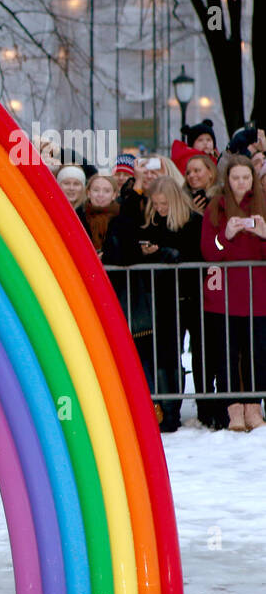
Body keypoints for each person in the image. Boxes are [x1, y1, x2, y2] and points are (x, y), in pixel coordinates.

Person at [104, 177, 202, 431]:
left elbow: (194, 257)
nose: (160, 208)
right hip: (158, 299)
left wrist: (166, 253)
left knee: (174, 357)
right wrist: (151, 252)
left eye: (164, 203)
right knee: (162, 356)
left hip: (185, 298)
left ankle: (172, 412)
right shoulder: (151, 222)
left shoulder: (192, 222)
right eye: (155, 203)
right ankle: (163, 412)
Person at [200, 156, 266, 430]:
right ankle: (233, 409)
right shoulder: (216, 206)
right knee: (227, 354)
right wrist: (224, 235)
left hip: (258, 295)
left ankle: (253, 407)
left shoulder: (262, 205)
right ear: (227, 180)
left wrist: (264, 236)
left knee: (257, 354)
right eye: (236, 177)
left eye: (246, 177)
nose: (241, 183)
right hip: (224, 296)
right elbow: (208, 251)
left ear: (253, 179)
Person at [80, 174, 120, 256]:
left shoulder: (122, 218)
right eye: (96, 190)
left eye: (107, 191)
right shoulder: (78, 218)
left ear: (114, 195)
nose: (100, 195)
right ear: (88, 193)